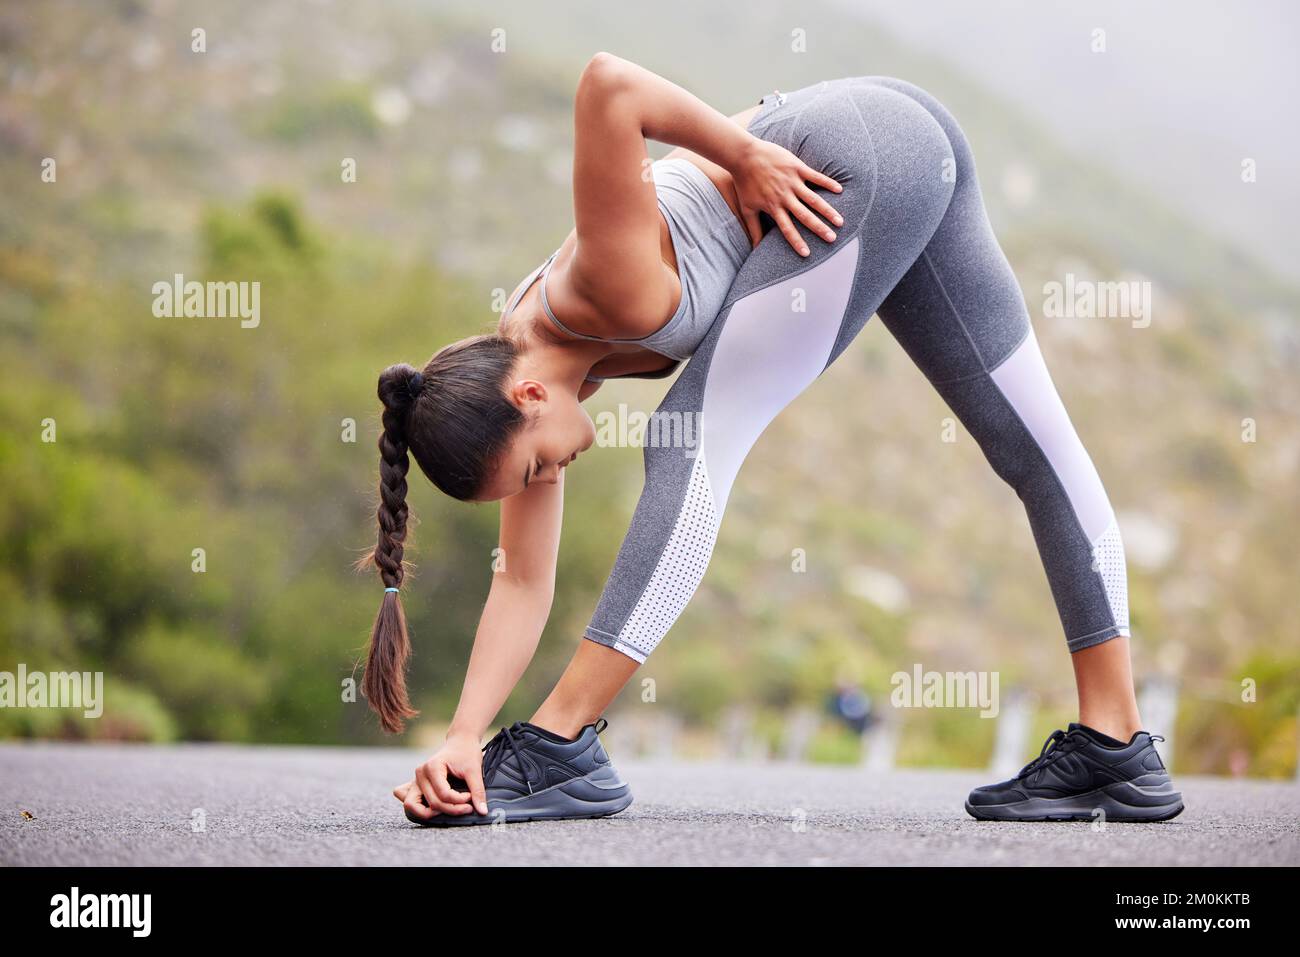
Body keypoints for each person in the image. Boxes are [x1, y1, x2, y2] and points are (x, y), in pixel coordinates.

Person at [369, 53, 1182, 825]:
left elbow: (608, 86)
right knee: (1029, 447)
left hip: (859, 158)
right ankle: (1116, 741)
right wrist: (463, 737)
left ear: (529, 394)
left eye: (538, 463)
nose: (555, 472)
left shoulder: (599, 283)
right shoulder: (524, 379)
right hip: (897, 138)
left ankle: (558, 744)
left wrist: (743, 156)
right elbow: (521, 582)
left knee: (690, 439)